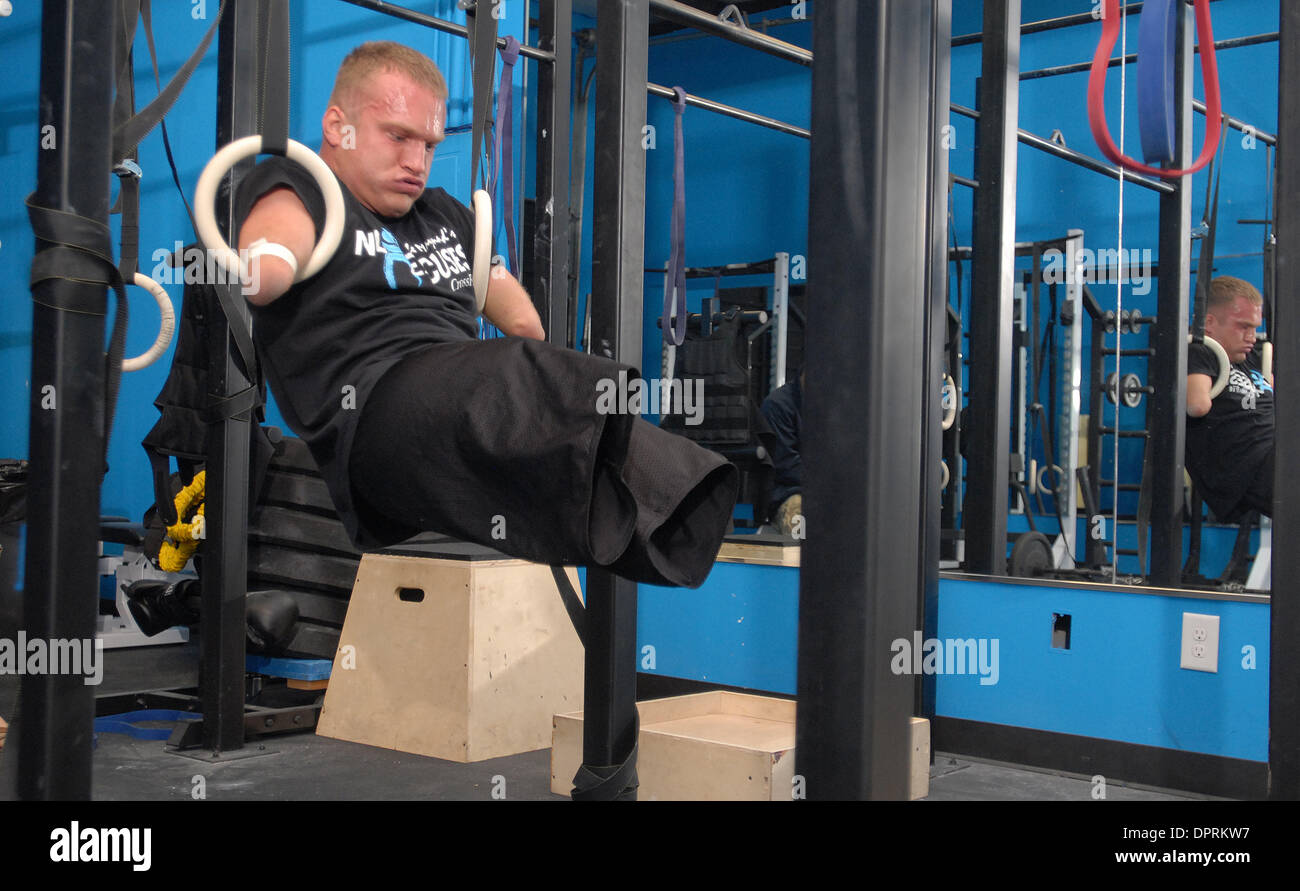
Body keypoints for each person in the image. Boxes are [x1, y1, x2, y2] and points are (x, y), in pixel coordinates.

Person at [232, 41, 737, 587]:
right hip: (374, 411)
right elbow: (265, 278)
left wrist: (494, 281)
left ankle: (671, 533)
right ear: (337, 126)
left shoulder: (446, 213)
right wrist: (266, 258)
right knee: (514, 376)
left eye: (429, 144)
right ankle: (687, 494)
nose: (415, 161)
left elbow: (525, 326)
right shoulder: (301, 189)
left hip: (456, 401)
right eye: (398, 136)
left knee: (549, 464)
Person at [1185, 276, 1274, 520]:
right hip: (1248, 465)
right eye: (1243, 326)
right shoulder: (1199, 351)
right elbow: (1196, 405)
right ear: (1209, 322)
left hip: (1275, 454)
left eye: (1255, 327)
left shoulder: (1253, 358)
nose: (1252, 337)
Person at [759, 369, 802, 536]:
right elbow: (785, 465)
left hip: (827, 491)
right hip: (787, 493)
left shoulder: (834, 407)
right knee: (803, 520)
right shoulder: (778, 405)